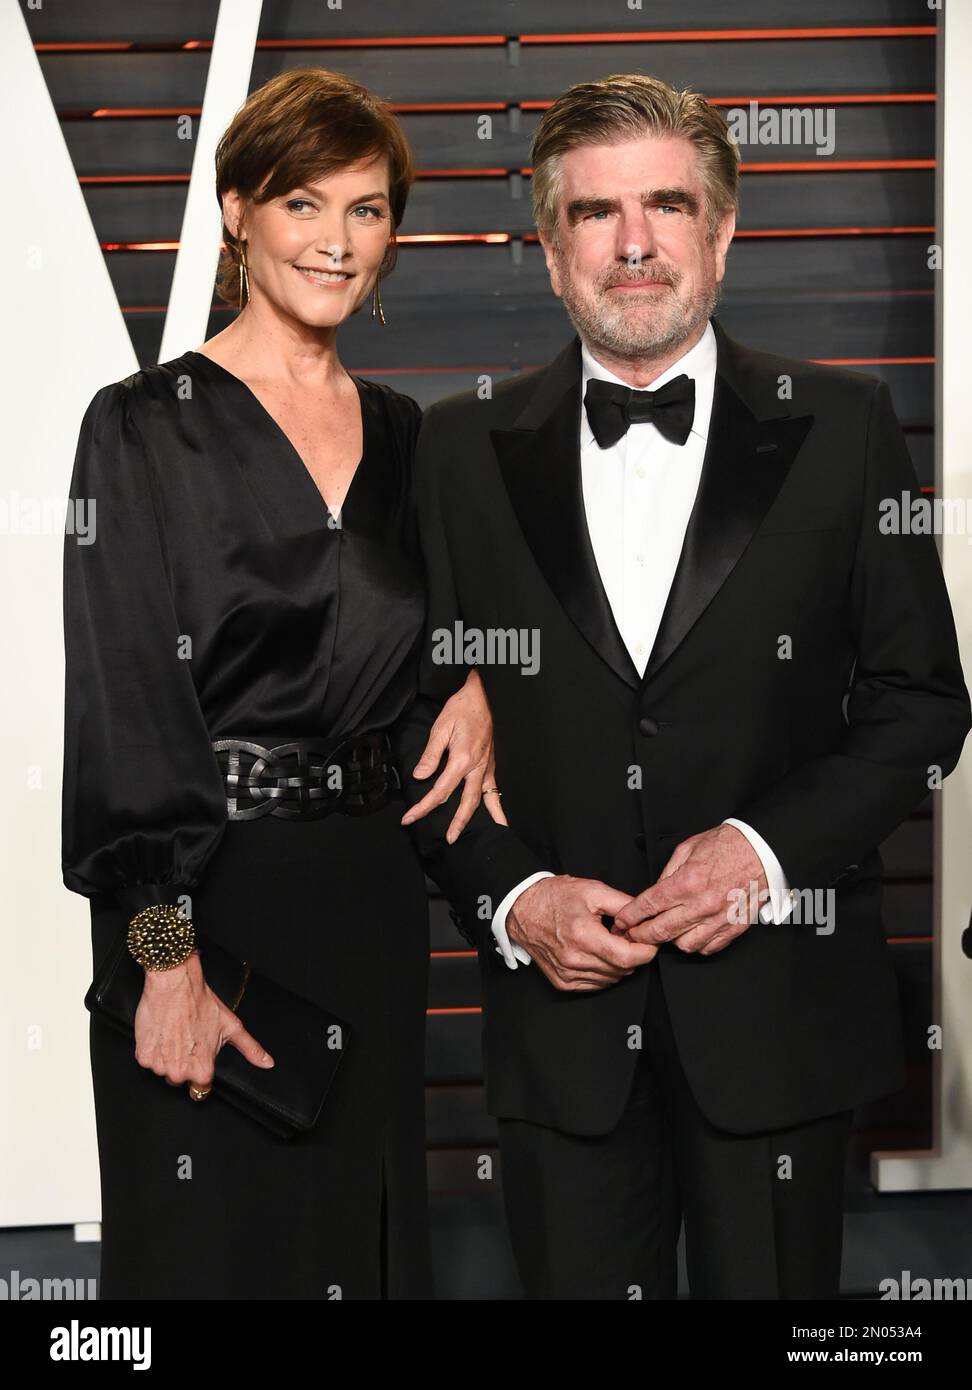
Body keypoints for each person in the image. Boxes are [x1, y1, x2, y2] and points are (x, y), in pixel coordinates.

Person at [394, 73, 972, 1299]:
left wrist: (762, 854)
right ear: (553, 252)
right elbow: (419, 721)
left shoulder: (845, 422)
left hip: (779, 1019)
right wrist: (517, 900)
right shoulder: (455, 449)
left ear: (721, 230)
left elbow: (923, 698)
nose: (636, 243)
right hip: (559, 1026)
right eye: (597, 214)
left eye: (668, 204)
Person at [61, 67, 504, 1301]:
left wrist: (467, 683)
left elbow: (425, 636)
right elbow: (124, 701)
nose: (336, 240)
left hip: (366, 888)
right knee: (207, 1253)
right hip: (205, 902)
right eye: (304, 203)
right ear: (237, 214)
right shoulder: (142, 426)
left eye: (368, 211)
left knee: (359, 1253)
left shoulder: (409, 434)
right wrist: (164, 957)